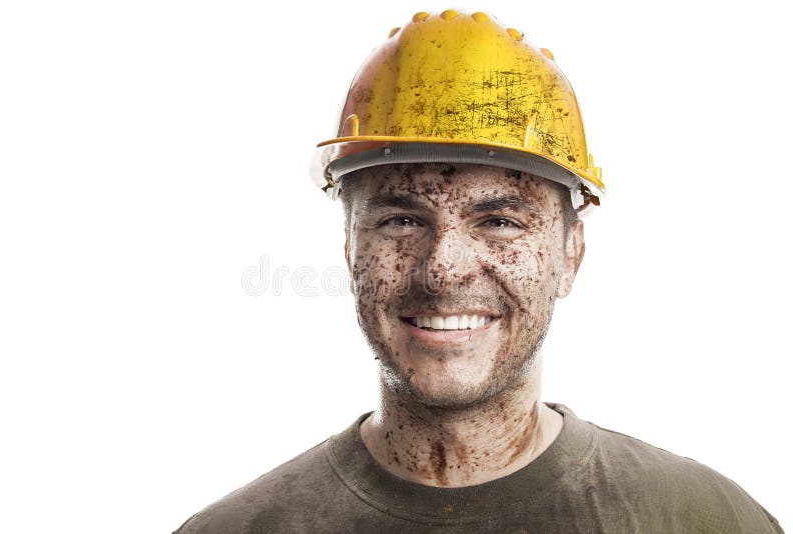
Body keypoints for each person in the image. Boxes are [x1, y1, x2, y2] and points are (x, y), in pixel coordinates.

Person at [173, 9, 783, 533]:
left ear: (570, 256)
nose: (443, 270)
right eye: (401, 221)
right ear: (350, 251)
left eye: (500, 222)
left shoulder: (703, 519)